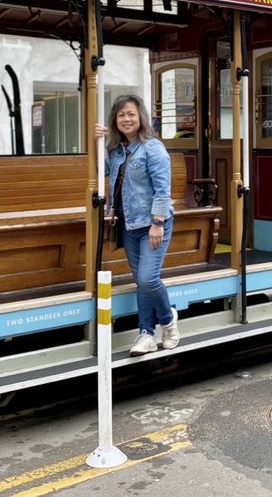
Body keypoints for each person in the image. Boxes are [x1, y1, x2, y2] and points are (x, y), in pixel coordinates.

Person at [95, 94, 180, 356]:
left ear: (140, 117)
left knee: (148, 278)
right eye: (121, 115)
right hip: (128, 224)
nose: (126, 119)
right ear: (115, 120)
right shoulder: (117, 151)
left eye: (131, 114)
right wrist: (97, 140)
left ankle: (167, 320)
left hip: (153, 223)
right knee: (140, 281)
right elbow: (102, 170)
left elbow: (163, 190)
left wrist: (157, 223)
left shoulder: (153, 148)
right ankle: (146, 334)